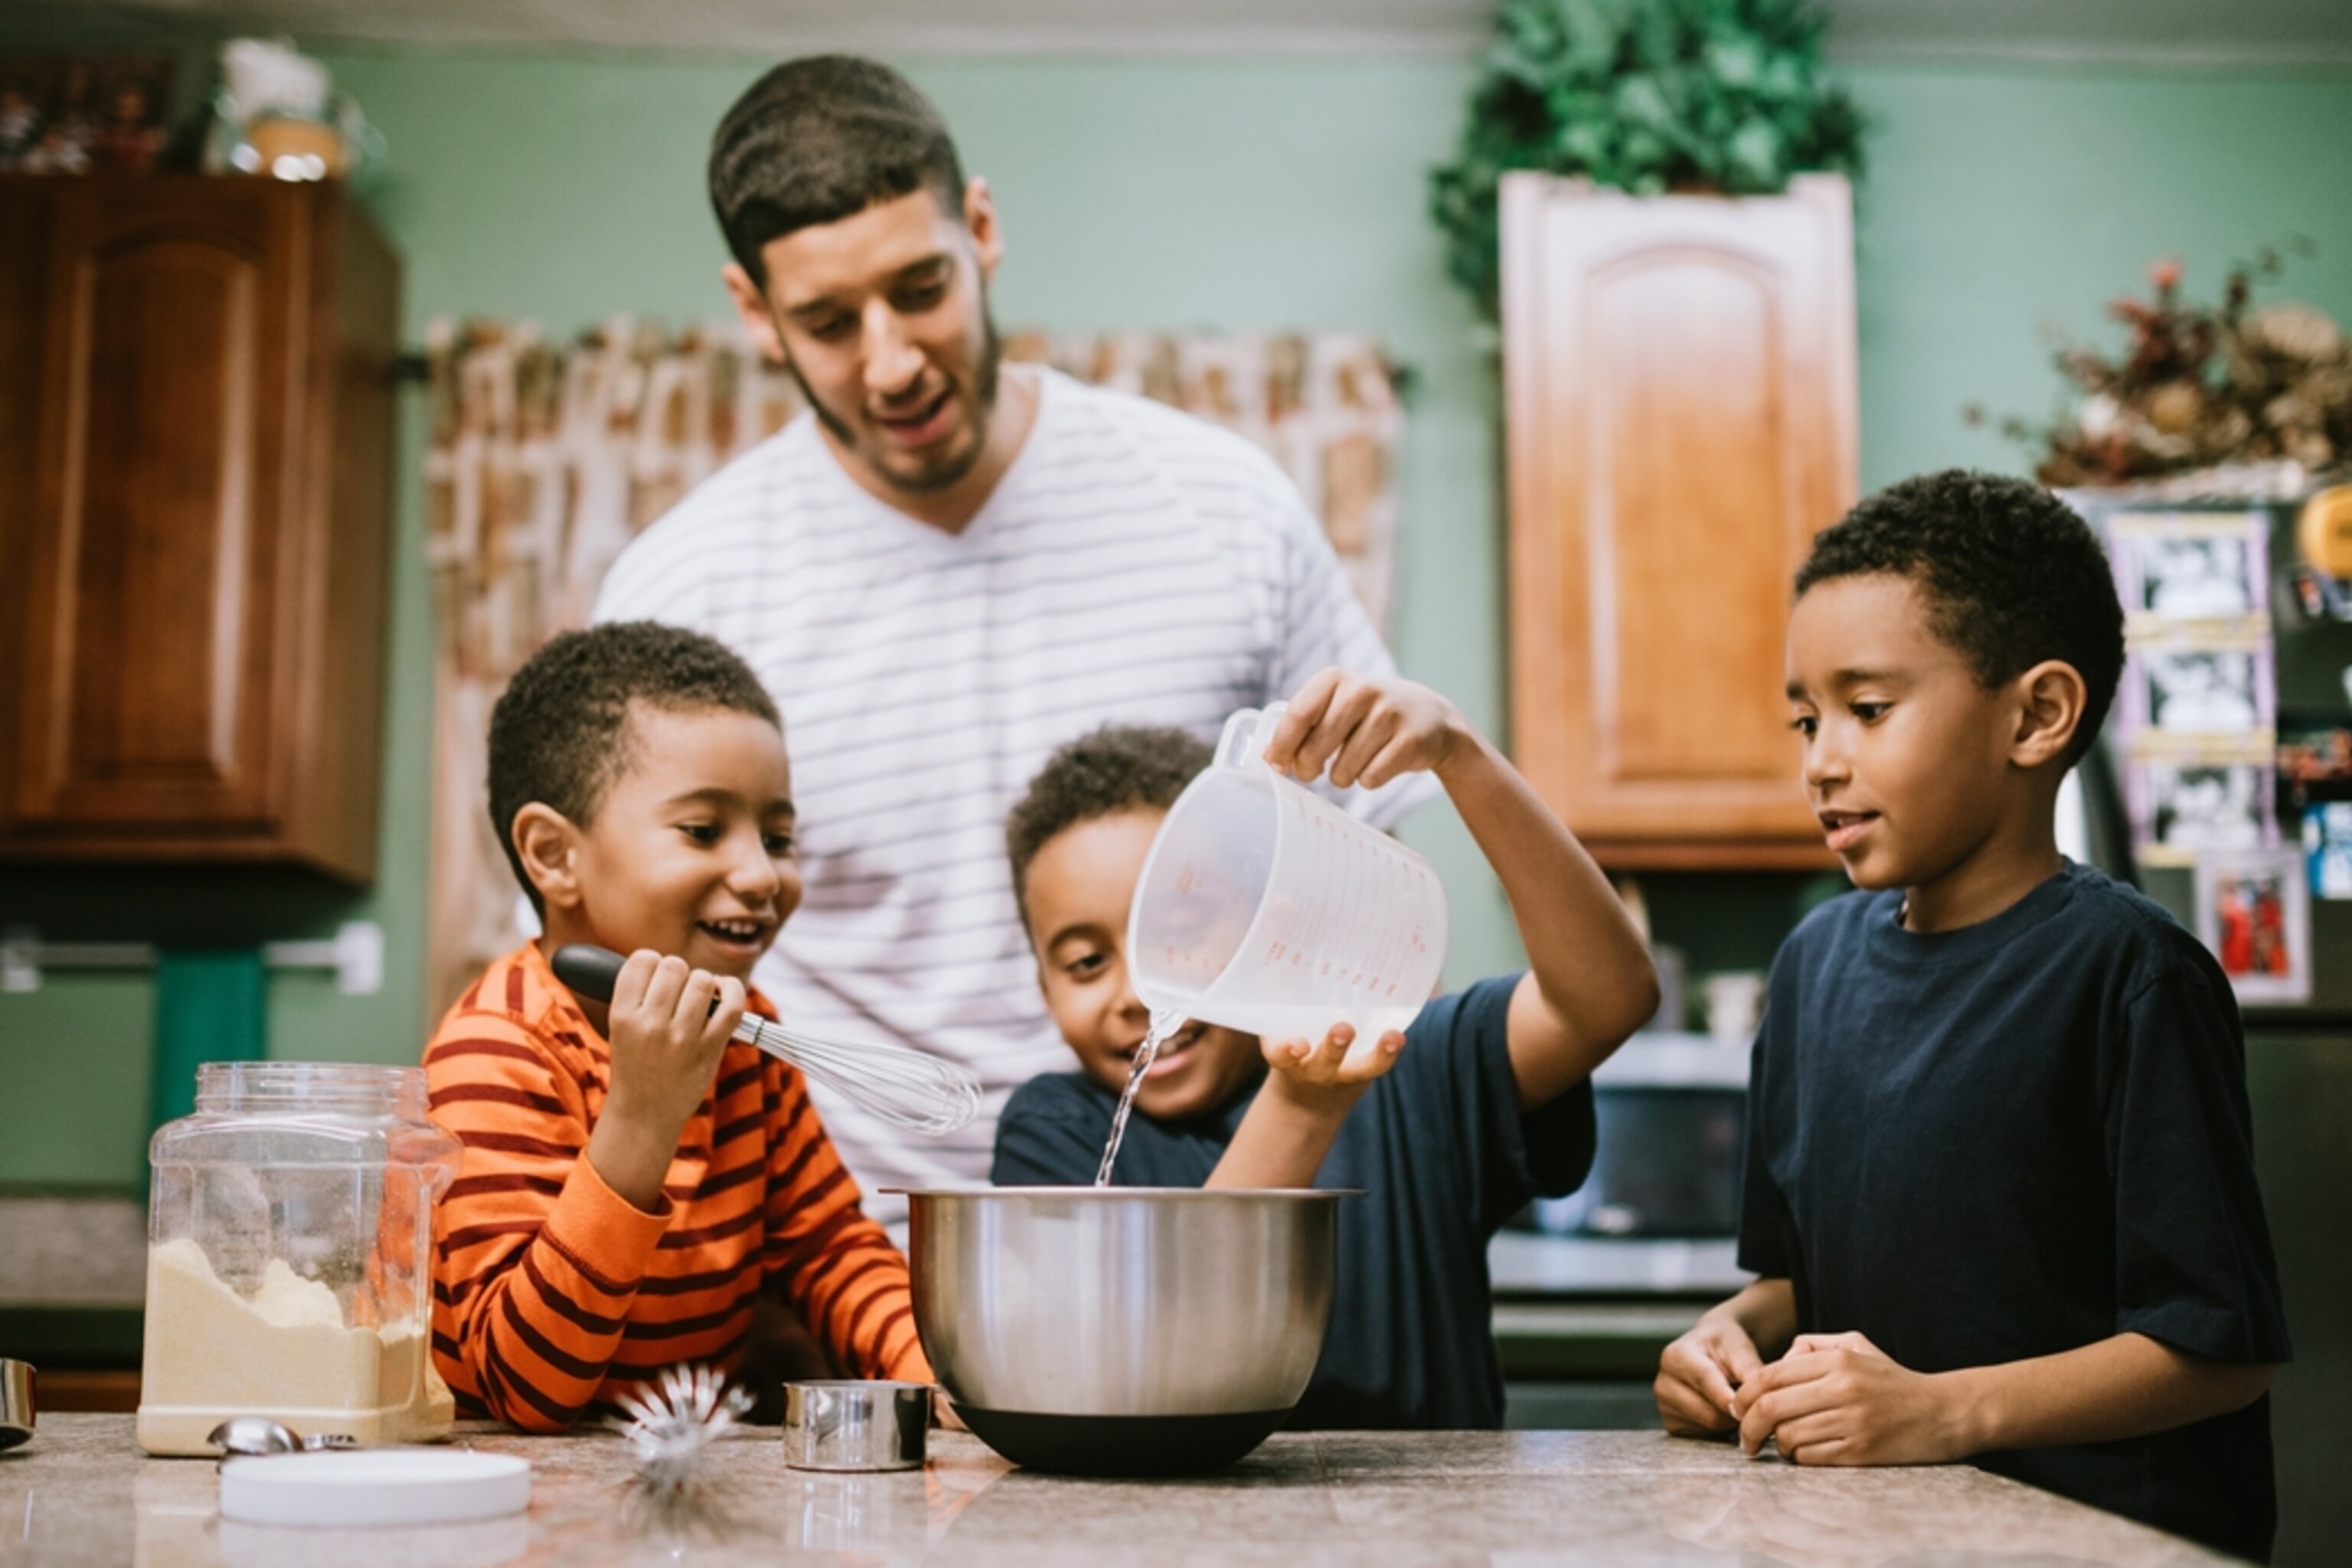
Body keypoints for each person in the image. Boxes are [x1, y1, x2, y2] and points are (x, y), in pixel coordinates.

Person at [591, 56, 1431, 1230]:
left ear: (980, 228)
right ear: (752, 310)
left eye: (920, 287)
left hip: (1191, 1238)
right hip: (842, 1264)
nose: (890, 362)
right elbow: (633, 967)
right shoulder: (683, 590)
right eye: (828, 324)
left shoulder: (1222, 504)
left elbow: (1361, 875)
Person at [1652, 471, 2290, 1560]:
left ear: (2036, 714)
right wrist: (1728, 1340)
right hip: (1875, 1538)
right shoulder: (1812, 967)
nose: (1822, 762)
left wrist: (1942, 1411)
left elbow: (2219, 1351)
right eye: (1806, 719)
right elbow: (1800, 1283)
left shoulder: (2133, 974)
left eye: (1867, 709)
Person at [989, 668, 1659, 1428]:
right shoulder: (1054, 1132)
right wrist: (1303, 1103)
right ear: (1043, 987)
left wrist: (1461, 754)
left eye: (1175, 929)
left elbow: (1610, 997)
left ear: (1263, 914)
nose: (1136, 988)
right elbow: (1157, 1349)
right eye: (1085, 961)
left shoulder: (1400, 1056)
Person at [423, 622, 929, 1430]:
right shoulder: (497, 1050)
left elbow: (828, 1247)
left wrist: (939, 1380)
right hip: (520, 1488)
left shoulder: (748, 1034)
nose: (762, 874)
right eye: (703, 830)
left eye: (778, 837)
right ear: (555, 855)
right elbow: (527, 1388)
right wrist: (643, 1115)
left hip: (693, 1465)